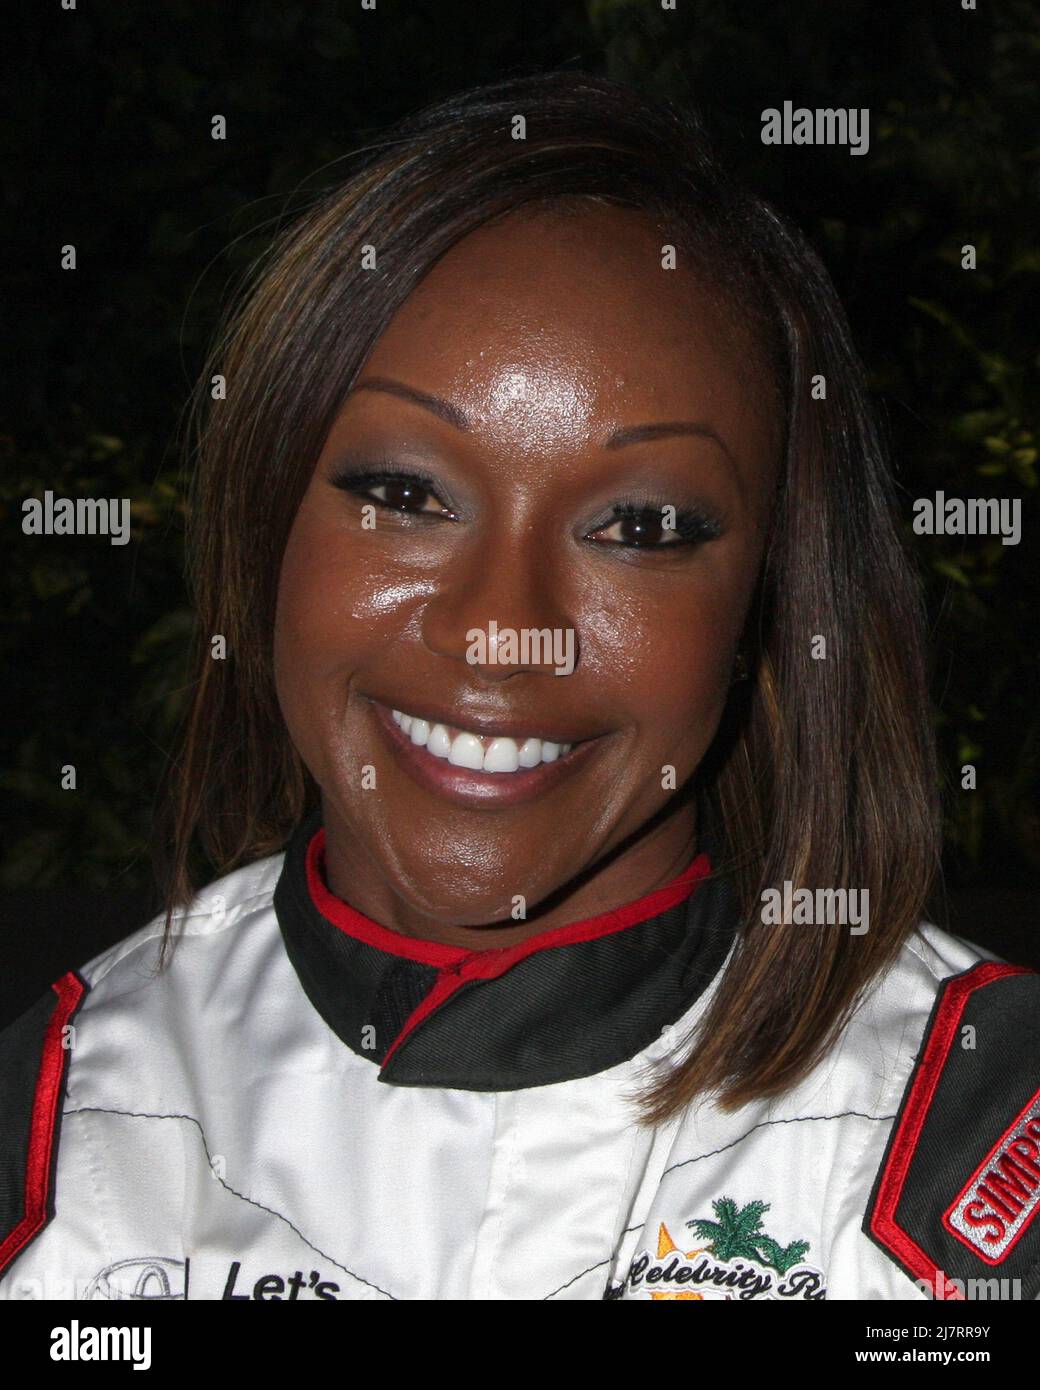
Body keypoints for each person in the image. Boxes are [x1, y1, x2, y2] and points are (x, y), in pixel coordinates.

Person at [1, 71, 1037, 1303]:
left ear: (772, 601)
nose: (502, 630)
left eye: (640, 525)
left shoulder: (978, 1135)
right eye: (403, 495)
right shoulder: (63, 1125)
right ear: (262, 517)